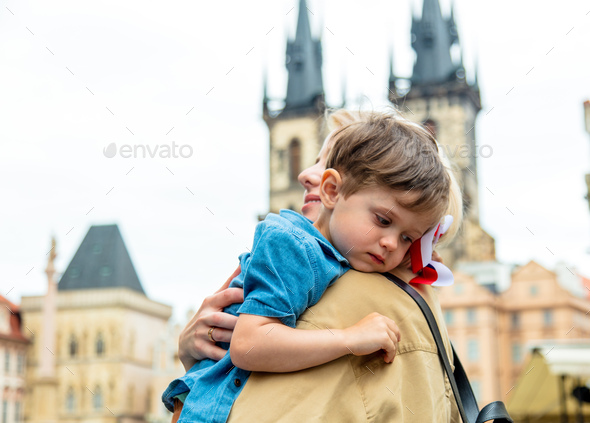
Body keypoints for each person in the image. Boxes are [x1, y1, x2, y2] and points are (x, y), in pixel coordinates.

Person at [163, 109, 453, 423]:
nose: (391, 244)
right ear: (333, 191)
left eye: (409, 238)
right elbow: (248, 345)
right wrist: (349, 338)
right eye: (383, 221)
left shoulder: (342, 258)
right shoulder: (292, 245)